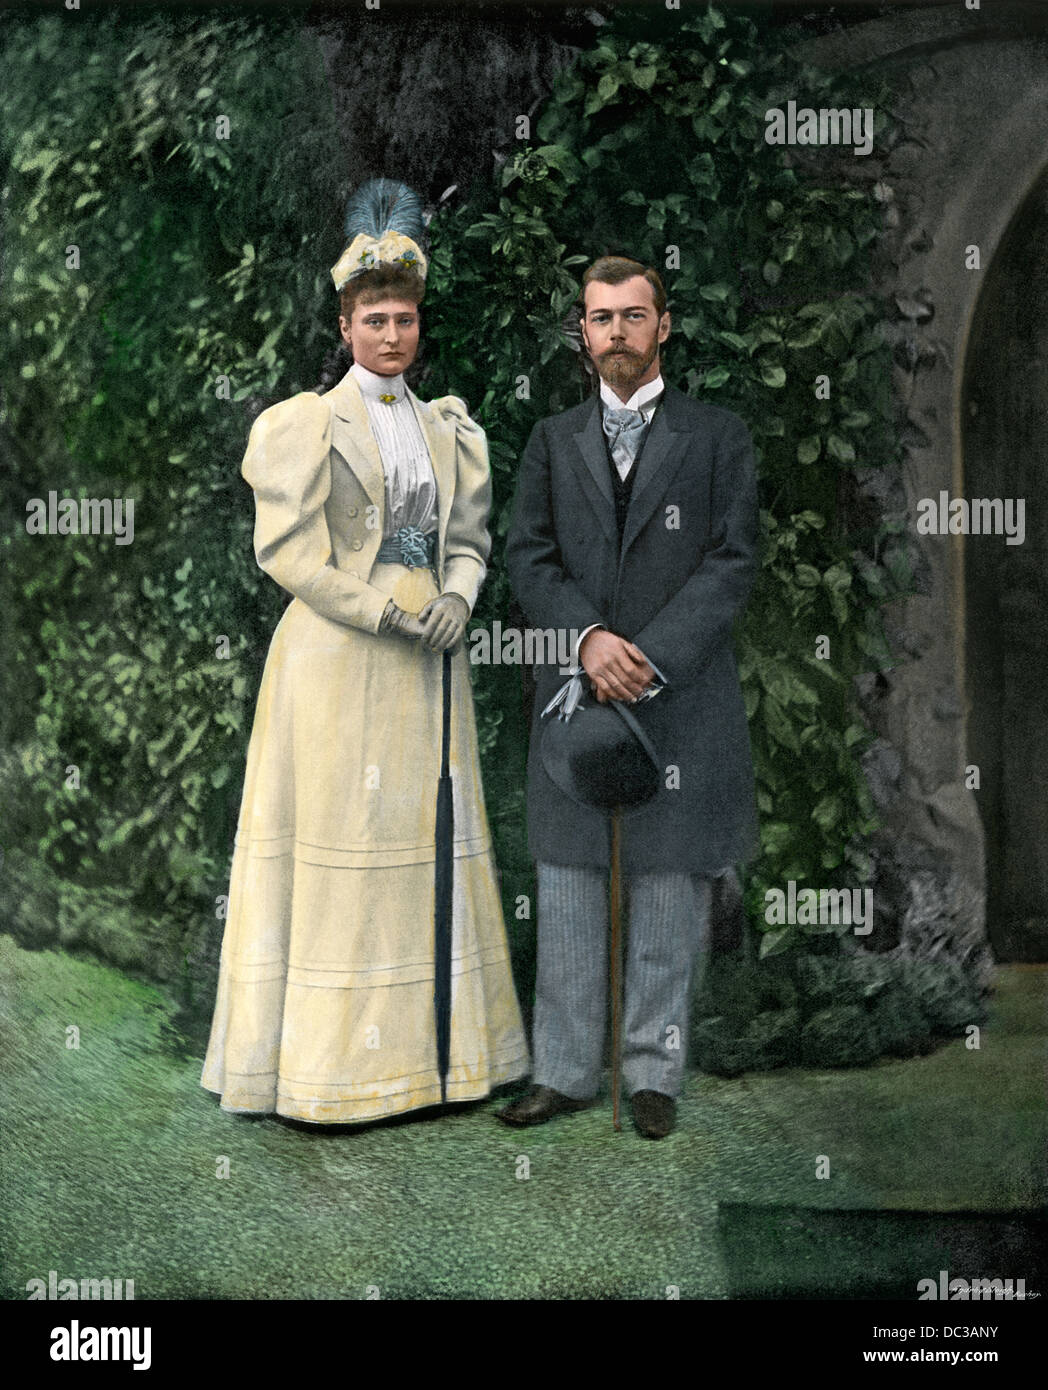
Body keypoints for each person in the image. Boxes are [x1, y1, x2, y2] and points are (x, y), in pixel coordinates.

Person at [201, 180, 529, 1124]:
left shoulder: (448, 427)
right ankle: (331, 1078)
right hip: (340, 661)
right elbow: (292, 555)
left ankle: (435, 1068)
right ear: (346, 326)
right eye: (376, 320)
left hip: (433, 663)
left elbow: (467, 539)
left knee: (421, 851)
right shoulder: (304, 423)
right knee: (343, 858)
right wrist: (383, 611)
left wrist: (460, 597)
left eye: (407, 320)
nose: (393, 337)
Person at [500, 255, 758, 1139]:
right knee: (569, 880)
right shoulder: (551, 440)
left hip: (678, 691)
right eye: (601, 317)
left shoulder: (717, 436)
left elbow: (732, 562)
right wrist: (588, 640)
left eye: (633, 315)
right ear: (583, 332)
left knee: (666, 885)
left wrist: (650, 654)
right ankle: (565, 1070)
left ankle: (654, 1073)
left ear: (664, 325)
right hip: (578, 689)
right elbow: (527, 558)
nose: (617, 331)